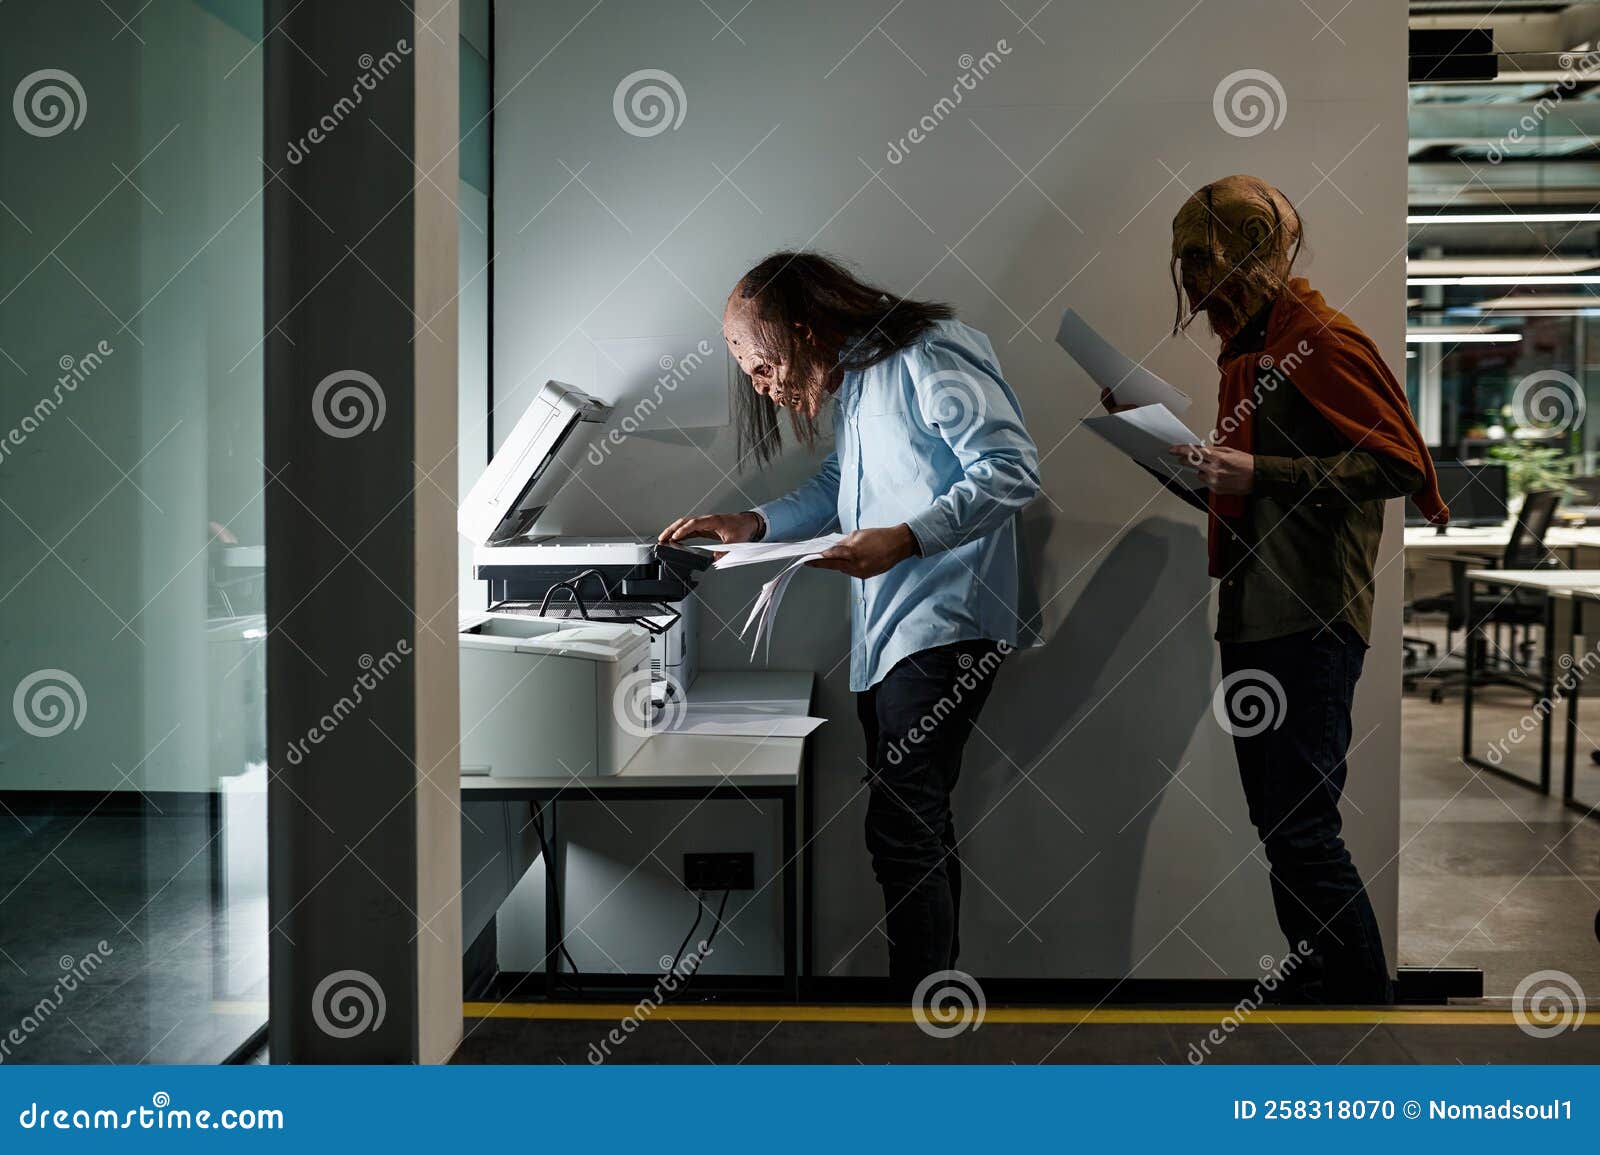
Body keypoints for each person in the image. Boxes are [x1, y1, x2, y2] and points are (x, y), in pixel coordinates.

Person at [660, 252, 1040, 993]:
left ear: (805, 330)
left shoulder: (933, 350)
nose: (765, 388)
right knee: (914, 821)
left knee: (900, 825)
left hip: (944, 622)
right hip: (896, 629)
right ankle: (934, 1002)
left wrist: (904, 538)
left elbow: (1010, 469)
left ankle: (918, 1018)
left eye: (764, 368)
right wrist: (752, 521)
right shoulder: (863, 376)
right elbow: (845, 483)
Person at [1111, 174, 1447, 1004]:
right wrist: (1156, 449)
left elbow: (1400, 464)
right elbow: (1242, 495)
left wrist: (1259, 467)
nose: (1195, 290)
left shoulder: (1322, 341)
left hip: (1312, 616)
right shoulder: (1252, 358)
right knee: (1281, 826)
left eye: (1205, 269)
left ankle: (1359, 1010)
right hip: (1256, 615)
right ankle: (1323, 999)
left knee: (1302, 828)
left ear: (1246, 258)